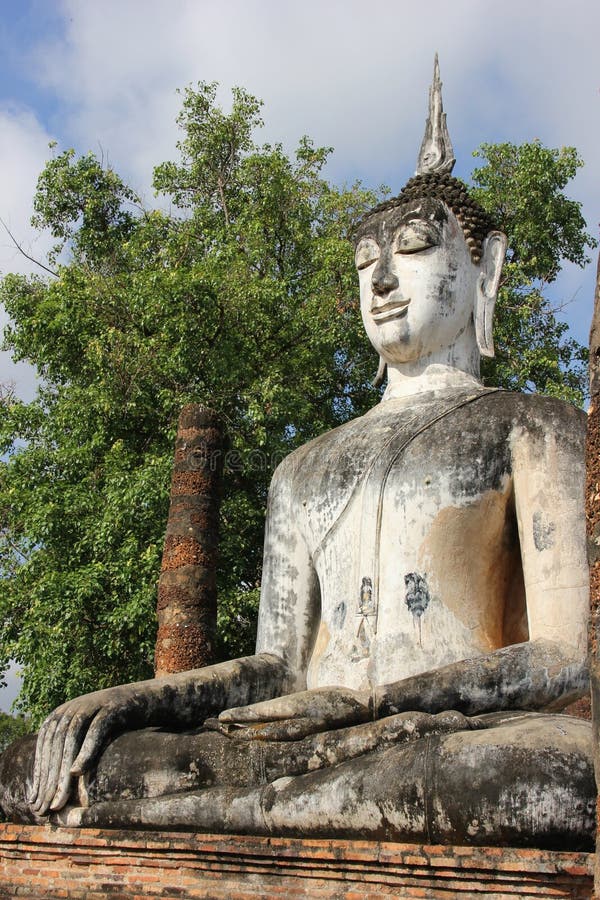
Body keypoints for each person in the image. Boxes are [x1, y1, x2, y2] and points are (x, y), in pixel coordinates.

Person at [0, 60, 594, 848]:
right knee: (47, 763)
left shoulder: (534, 425)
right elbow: (277, 668)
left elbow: (564, 659)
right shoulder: (305, 467)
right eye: (363, 263)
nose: (381, 278)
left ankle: (236, 818)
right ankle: (260, 808)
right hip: (299, 743)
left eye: (413, 249)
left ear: (483, 268)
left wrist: (377, 702)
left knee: (543, 779)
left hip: (443, 737)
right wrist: (136, 699)